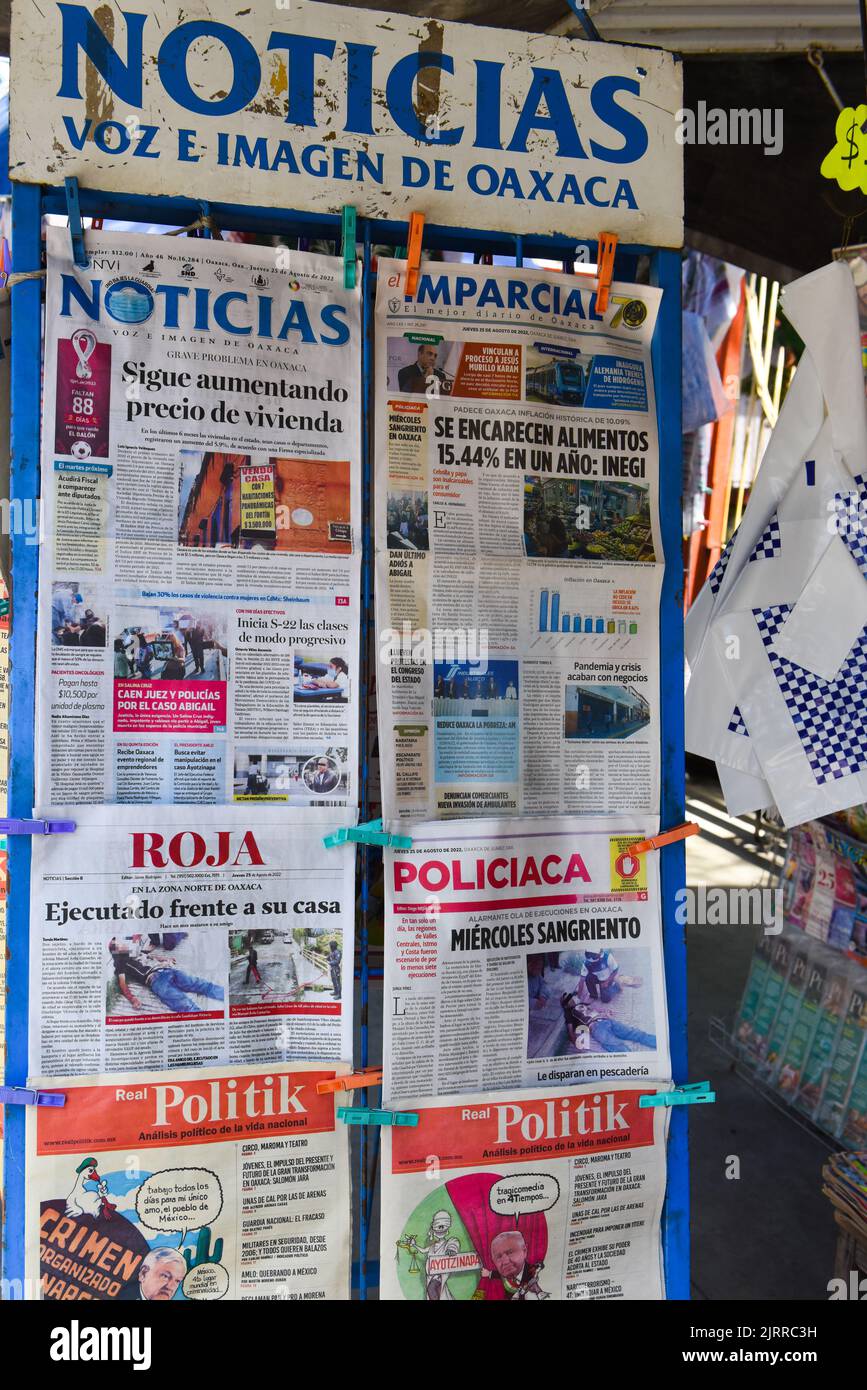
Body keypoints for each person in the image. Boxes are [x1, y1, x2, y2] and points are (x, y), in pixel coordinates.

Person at [108, 937, 225, 1015]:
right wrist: (133, 999)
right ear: (116, 952)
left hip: (167, 970)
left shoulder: (135, 954)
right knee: (184, 1005)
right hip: (156, 981)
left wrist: (166, 959)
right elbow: (122, 984)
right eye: (119, 945)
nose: (123, 944)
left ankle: (224, 994)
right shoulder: (120, 964)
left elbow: (151, 956)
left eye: (121, 943)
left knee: (200, 984)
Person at [561, 988, 656, 1054]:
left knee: (634, 1032)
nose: (572, 999)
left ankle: (658, 1042)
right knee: (619, 1047)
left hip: (607, 1021)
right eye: (568, 999)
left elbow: (595, 1008)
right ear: (566, 1005)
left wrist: (606, 1011)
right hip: (596, 1027)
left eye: (571, 997)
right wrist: (577, 1044)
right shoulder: (569, 1013)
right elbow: (570, 1031)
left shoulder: (583, 1004)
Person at [484, 1230, 549, 1300]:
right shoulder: (503, 1280)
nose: (505, 1262)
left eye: (510, 1252)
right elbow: (498, 1274)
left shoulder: (531, 1272)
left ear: (524, 1251)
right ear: (493, 1261)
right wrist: (489, 1273)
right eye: (499, 1257)